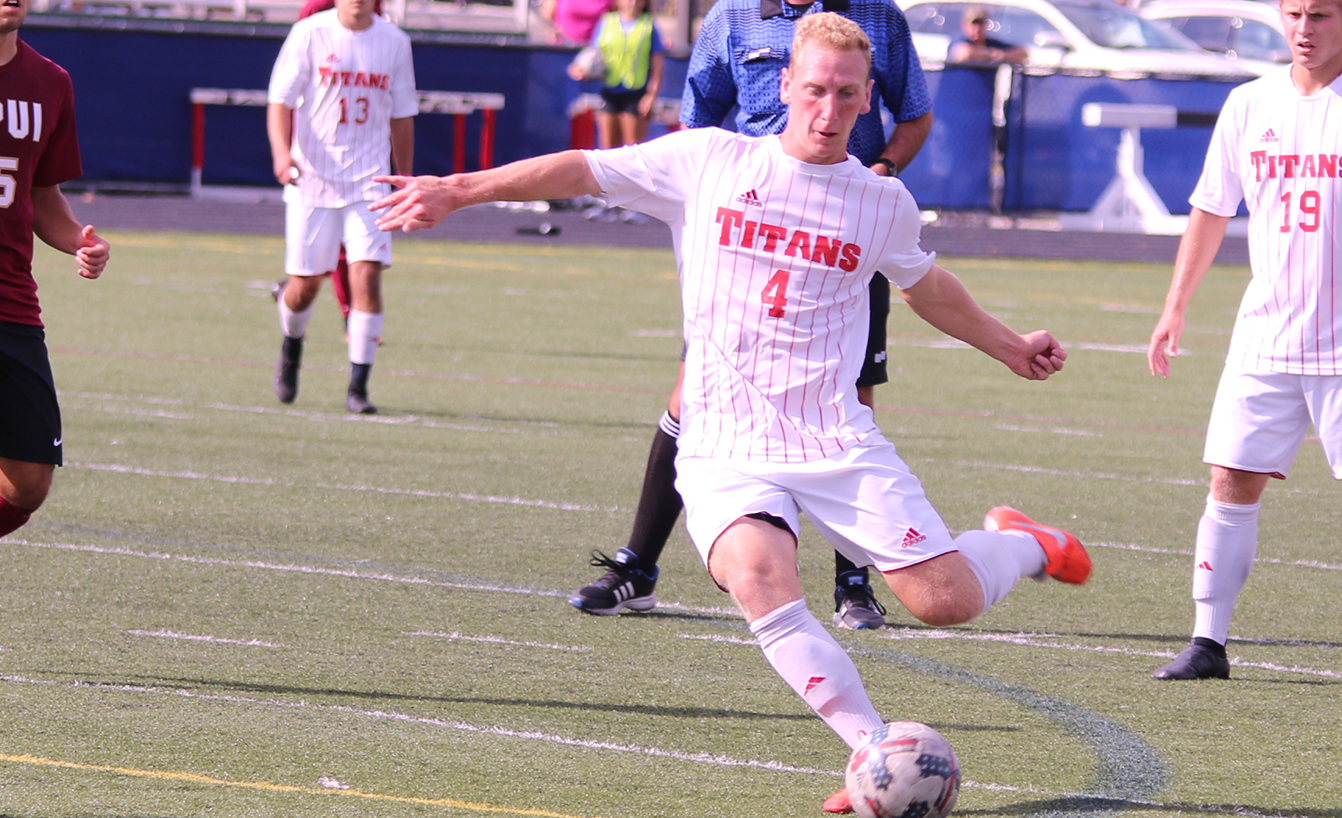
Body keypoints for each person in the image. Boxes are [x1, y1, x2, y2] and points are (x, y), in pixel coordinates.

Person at [372, 15, 1091, 811]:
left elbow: (926, 286)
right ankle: (872, 756)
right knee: (758, 576)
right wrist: (457, 189)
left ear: (865, 102)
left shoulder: (879, 201)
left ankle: (1021, 543)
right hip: (723, 442)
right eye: (814, 89)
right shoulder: (708, 159)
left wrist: (1010, 345)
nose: (827, 110)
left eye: (847, 96)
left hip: (833, 438)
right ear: (784, 85)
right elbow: (581, 167)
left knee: (943, 602)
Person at [569, 0, 937, 631]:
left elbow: (915, 114)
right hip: (752, 230)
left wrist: (880, 172)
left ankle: (853, 581)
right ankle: (639, 566)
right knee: (693, 392)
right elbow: (697, 116)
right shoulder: (731, 17)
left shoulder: (877, 16)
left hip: (841, 230)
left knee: (852, 395)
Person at [1145, 0, 1342, 695]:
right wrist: (1175, 305)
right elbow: (1210, 209)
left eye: (1319, 13)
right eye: (1293, 13)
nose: (1304, 28)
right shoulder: (1248, 106)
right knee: (1229, 480)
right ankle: (1207, 640)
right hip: (1267, 335)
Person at [267, 0, 416, 414]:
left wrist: (406, 178)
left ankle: (358, 387)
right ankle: (292, 342)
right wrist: (282, 155)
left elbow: (402, 115)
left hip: (370, 180)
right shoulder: (311, 32)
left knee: (366, 276)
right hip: (313, 180)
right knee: (304, 287)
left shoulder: (394, 42)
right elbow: (279, 100)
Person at [0, 0, 112, 543]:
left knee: (26, 484)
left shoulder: (49, 82)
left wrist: (78, 242)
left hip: (11, 300)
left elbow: (43, 195)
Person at [568, 0, 665, 150]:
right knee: (608, 149)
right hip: (610, 91)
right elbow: (594, 54)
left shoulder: (648, 26)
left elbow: (658, 65)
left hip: (636, 94)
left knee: (634, 150)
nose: (632, 3)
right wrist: (581, 68)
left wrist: (651, 95)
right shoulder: (607, 22)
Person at [947, 5, 1028, 65]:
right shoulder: (959, 39)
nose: (977, 28)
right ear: (965, 25)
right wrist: (990, 54)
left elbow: (1023, 53)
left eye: (981, 23)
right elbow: (964, 54)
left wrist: (1002, 55)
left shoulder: (991, 43)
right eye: (974, 23)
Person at [541, 0, 613, 45]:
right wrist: (553, 32)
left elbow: (618, 16)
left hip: (592, 53)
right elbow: (546, 17)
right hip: (562, 50)